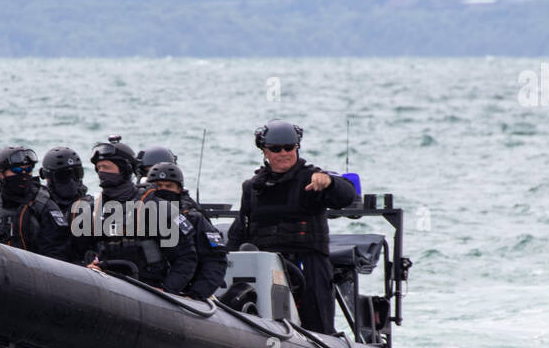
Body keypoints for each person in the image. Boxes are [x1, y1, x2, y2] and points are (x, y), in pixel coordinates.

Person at [227, 120, 360, 334]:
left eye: (289, 147)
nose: (283, 153)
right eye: (276, 149)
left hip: (308, 266)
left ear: (297, 147)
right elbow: (239, 230)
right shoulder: (252, 188)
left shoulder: (312, 178)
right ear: (264, 151)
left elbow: (346, 195)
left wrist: (329, 182)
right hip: (267, 268)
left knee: (317, 322)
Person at [73, 136, 197, 294]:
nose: (102, 173)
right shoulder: (91, 209)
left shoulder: (156, 207)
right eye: (99, 168)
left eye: (107, 167)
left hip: (151, 289)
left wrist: (167, 290)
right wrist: (87, 266)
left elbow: (185, 257)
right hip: (106, 288)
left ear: (124, 169)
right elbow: (76, 253)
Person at [0, 145, 72, 261]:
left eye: (28, 170)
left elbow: (57, 253)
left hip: (35, 273)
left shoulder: (46, 208)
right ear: (1, 174)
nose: (23, 174)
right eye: (17, 170)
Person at [143, 161, 228, 300]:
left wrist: (195, 295)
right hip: (147, 287)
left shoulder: (194, 219)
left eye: (169, 186)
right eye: (158, 186)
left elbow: (215, 260)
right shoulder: (139, 215)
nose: (163, 190)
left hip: (188, 292)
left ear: (179, 189)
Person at [39, 146, 88, 219]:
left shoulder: (90, 205)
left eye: (77, 173)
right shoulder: (40, 208)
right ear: (48, 178)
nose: (71, 181)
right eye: (63, 175)